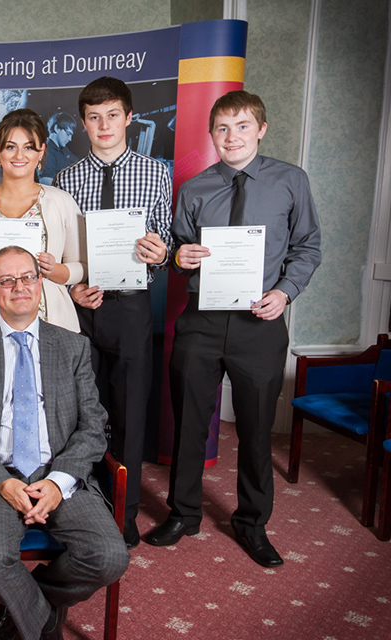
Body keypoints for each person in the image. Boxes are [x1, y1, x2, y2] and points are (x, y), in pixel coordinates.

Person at [145, 91, 321, 568]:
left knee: (256, 429)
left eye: (242, 126)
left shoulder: (290, 180)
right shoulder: (197, 188)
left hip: (259, 324)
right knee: (189, 424)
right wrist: (180, 257)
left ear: (261, 129)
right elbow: (179, 253)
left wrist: (284, 292)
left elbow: (308, 247)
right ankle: (183, 514)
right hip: (201, 322)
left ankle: (252, 523)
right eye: (222, 128)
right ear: (212, 134)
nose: (231, 137)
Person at [0, 246, 129, 640]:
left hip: (60, 472)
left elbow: (94, 423)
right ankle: (44, 625)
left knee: (110, 556)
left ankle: (22, 609)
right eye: (7, 280)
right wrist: (2, 480)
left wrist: (60, 480)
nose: (19, 287)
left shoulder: (73, 346)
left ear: (40, 283)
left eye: (27, 277)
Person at [52, 76, 173, 549]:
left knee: (128, 410)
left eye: (112, 116)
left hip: (130, 306)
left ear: (127, 117)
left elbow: (166, 243)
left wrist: (158, 252)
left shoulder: (155, 173)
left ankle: (123, 515)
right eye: (94, 117)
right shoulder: (65, 179)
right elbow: (60, 250)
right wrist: (74, 288)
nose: (104, 125)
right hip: (81, 307)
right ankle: (82, 506)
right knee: (83, 410)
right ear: (84, 123)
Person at [0, 108, 87, 333]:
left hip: (49, 323)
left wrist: (53, 269)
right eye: (10, 147)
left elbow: (81, 267)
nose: (19, 156)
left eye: (29, 147)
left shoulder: (62, 201)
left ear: (41, 151)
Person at [42, 111, 80, 181]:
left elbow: (78, 162)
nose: (70, 139)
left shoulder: (63, 149)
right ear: (57, 128)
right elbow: (45, 180)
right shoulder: (47, 151)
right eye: (68, 134)